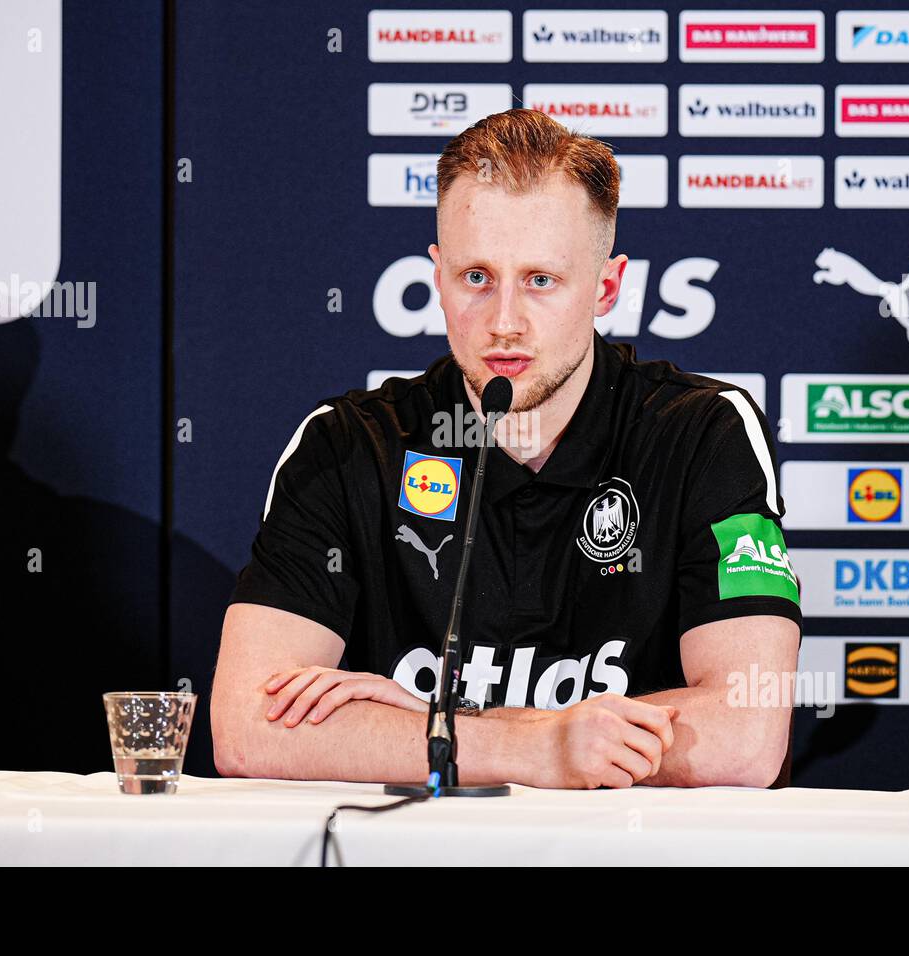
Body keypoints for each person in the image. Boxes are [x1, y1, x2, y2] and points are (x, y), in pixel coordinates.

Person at [211, 108, 801, 789]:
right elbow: (247, 730)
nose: (504, 323)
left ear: (606, 287)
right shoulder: (347, 446)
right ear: (437, 276)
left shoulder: (703, 433)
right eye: (477, 278)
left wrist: (432, 732)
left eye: (541, 281)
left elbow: (747, 736)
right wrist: (533, 748)